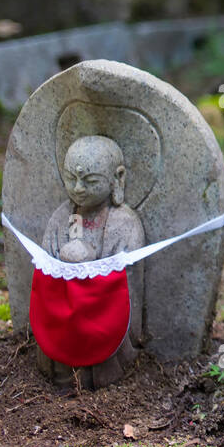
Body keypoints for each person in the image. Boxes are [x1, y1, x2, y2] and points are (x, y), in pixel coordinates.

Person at [40, 135, 146, 389]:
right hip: (65, 309)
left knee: (106, 344)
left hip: (105, 314)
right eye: (71, 179)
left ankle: (104, 382)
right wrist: (63, 265)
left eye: (90, 181)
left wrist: (91, 266)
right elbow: (45, 264)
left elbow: (128, 275)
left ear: (117, 179)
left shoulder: (124, 222)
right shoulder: (61, 216)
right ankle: (61, 378)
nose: (78, 188)